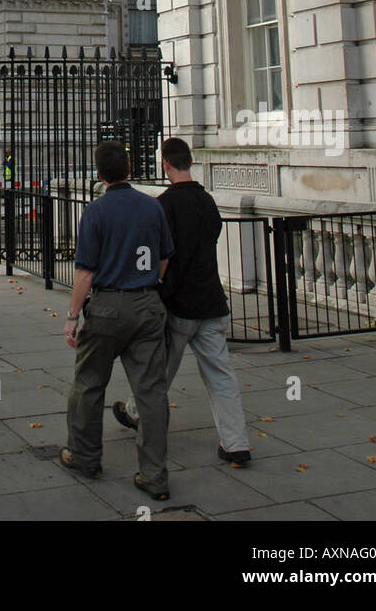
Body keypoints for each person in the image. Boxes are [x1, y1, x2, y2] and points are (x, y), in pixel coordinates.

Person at [112, 137, 252, 467]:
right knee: (221, 376)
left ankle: (138, 416)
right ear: (190, 162)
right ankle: (236, 443)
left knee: (158, 373)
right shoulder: (208, 202)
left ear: (166, 165)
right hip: (212, 302)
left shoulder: (163, 205)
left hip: (178, 304)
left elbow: (158, 257)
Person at [61, 139, 174, 500]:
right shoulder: (152, 207)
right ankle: (154, 476)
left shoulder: (96, 212)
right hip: (146, 304)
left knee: (90, 384)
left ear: (98, 175)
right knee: (151, 393)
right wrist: (150, 283)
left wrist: (72, 316)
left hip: (107, 307)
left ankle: (85, 456)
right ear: (129, 169)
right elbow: (164, 257)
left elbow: (85, 273)